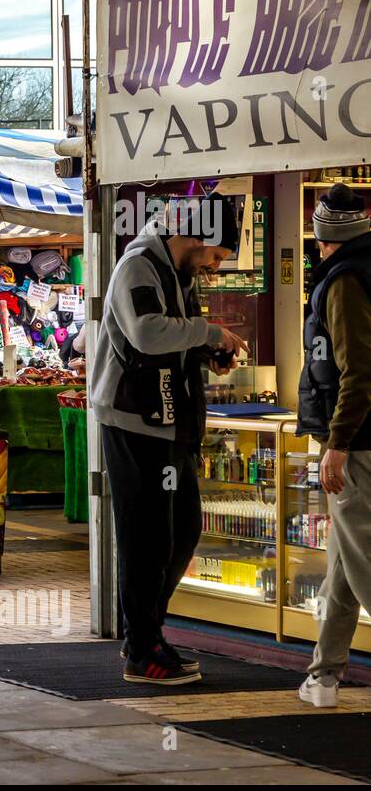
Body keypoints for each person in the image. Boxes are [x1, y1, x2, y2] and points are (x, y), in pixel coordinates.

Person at [92, 194, 248, 685]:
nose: (215, 267)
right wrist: (209, 331)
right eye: (217, 256)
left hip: (172, 423)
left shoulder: (177, 272)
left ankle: (147, 635)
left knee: (181, 534)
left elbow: (174, 340)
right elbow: (146, 334)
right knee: (147, 538)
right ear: (197, 238)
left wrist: (208, 352)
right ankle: (143, 648)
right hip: (135, 422)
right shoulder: (138, 267)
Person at [296, 184, 371, 708]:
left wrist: (338, 443)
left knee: (365, 561)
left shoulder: (345, 281)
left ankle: (324, 676)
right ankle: (323, 677)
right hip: (361, 440)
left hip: (360, 442)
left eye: (320, 241)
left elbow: (358, 373)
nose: (317, 249)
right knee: (342, 568)